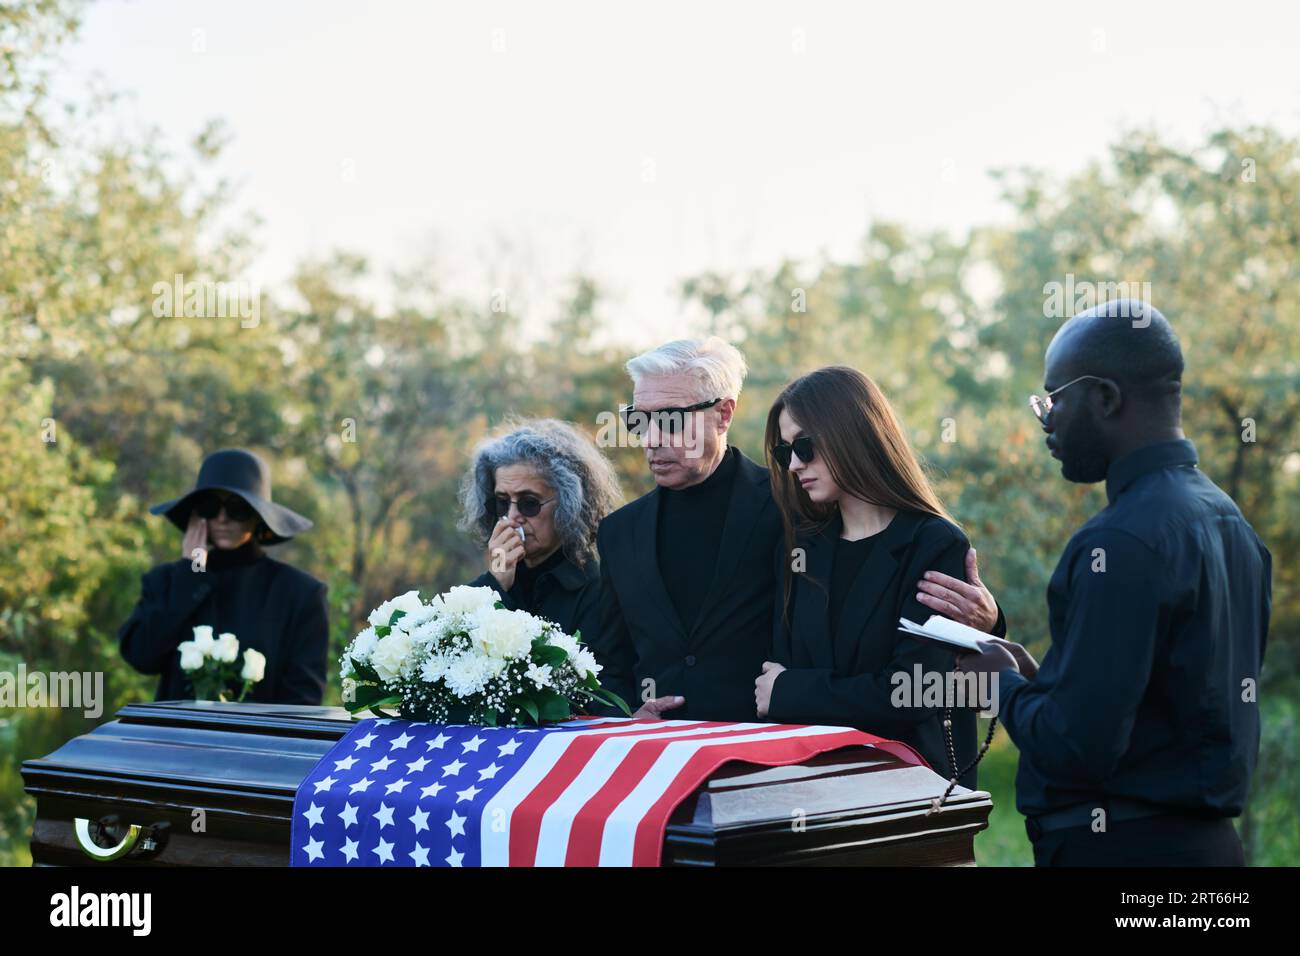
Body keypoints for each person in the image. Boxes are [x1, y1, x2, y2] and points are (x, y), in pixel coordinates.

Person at [958, 300, 1271, 866]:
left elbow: (1078, 748)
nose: (1046, 420)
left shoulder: (1120, 542)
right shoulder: (1232, 525)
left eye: (1053, 399)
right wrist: (1041, 680)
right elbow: (1163, 704)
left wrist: (998, 684)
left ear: (1105, 397)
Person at [590, 337, 999, 723]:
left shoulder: (795, 514)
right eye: (639, 422)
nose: (652, 439)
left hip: (805, 765)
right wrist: (627, 718)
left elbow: (926, 675)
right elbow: (609, 661)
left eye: (671, 420)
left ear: (724, 414)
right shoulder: (620, 532)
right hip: (669, 763)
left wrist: (989, 626)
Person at [756, 366, 1005, 788]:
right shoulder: (801, 548)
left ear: (851, 434)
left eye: (805, 446)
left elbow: (910, 692)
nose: (794, 464)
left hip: (908, 795)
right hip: (814, 786)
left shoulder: (934, 544)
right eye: (785, 452)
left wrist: (791, 692)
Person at [119, 448, 329, 704]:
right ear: (196, 514)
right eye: (210, 506)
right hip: (174, 740)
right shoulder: (165, 581)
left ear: (258, 515)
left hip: (258, 742)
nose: (222, 518)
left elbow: (303, 699)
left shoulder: (299, 593)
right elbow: (142, 657)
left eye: (237, 508)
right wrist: (190, 575)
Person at [457, 418, 622, 644]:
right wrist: (495, 583)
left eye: (529, 503)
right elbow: (453, 643)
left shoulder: (598, 592)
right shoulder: (501, 576)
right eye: (502, 502)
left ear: (568, 505)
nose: (512, 517)